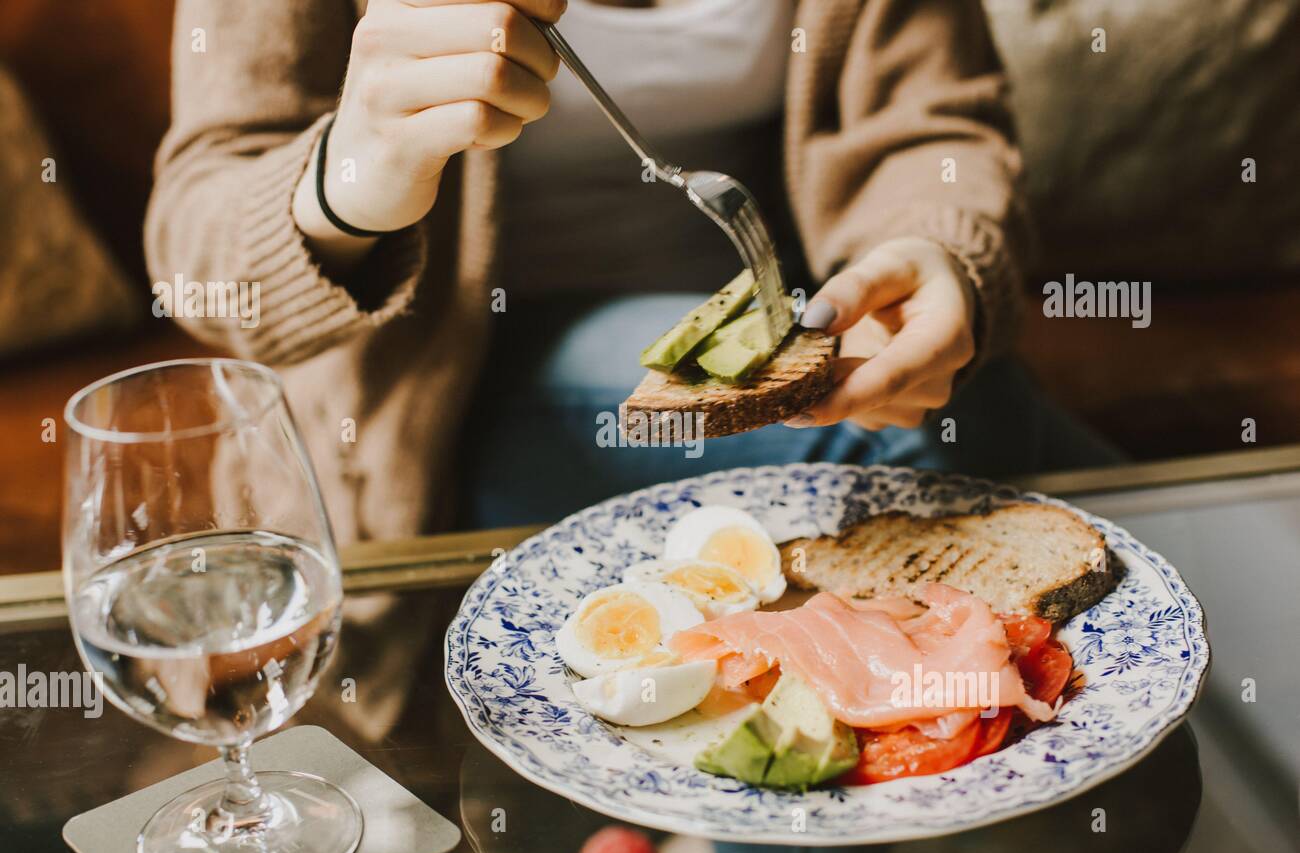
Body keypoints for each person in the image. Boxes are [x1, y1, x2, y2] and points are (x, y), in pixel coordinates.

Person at [147, 0, 1121, 545]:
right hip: (444, 403)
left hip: (770, 323)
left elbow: (933, 128)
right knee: (961, 454)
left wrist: (935, 254)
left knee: (996, 435)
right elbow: (195, 261)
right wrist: (350, 174)